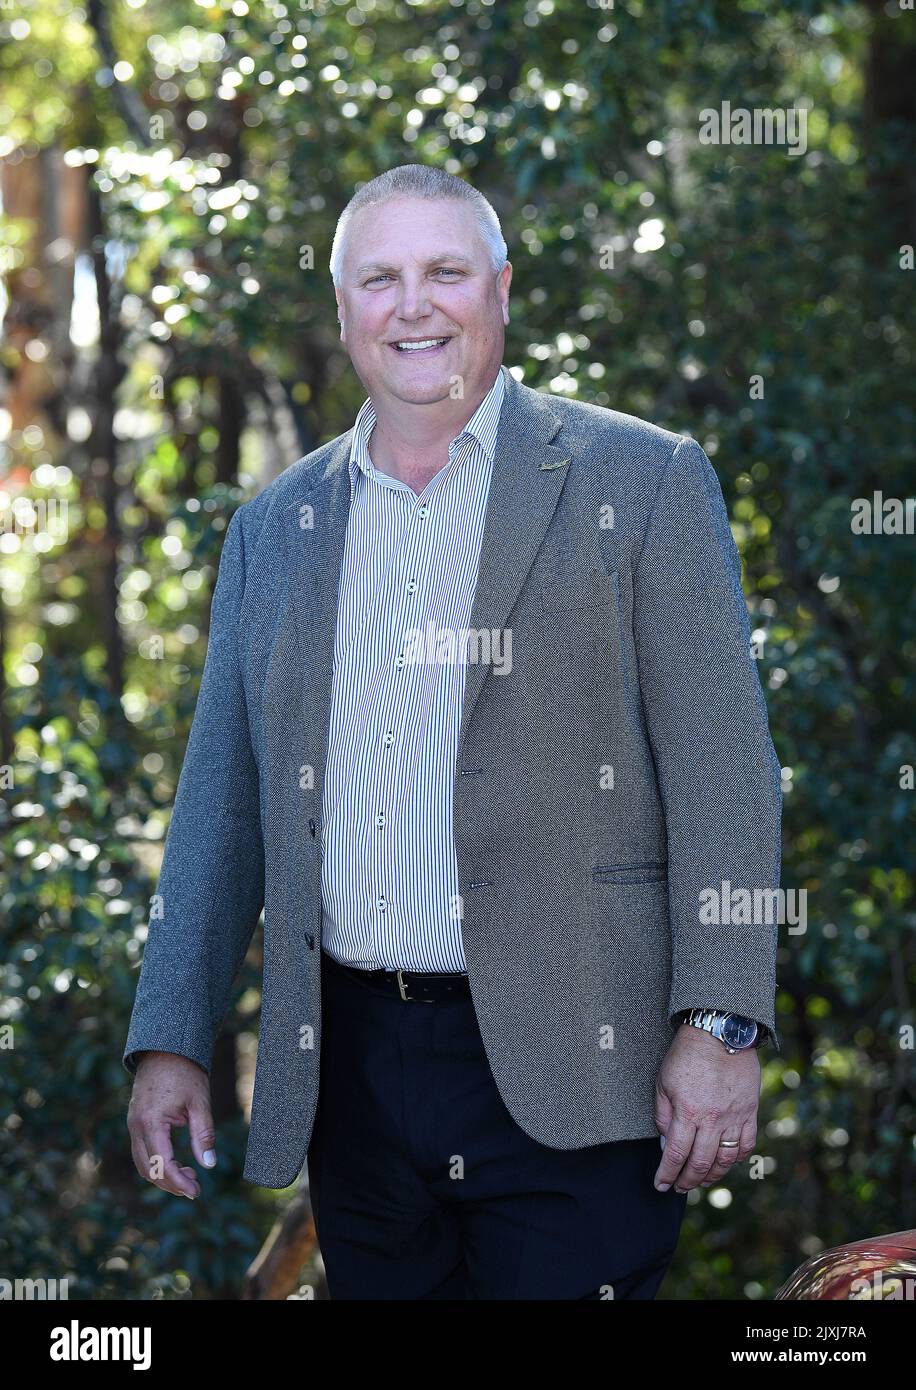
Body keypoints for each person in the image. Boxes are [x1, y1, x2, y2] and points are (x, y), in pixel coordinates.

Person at [124, 163, 782, 1300]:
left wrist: (721, 1025)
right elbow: (220, 805)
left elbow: (727, 775)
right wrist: (172, 1031)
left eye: (445, 271)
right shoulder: (275, 529)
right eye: (379, 277)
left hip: (583, 1062)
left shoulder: (644, 479)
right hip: (355, 1077)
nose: (413, 304)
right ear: (342, 309)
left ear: (502, 290)